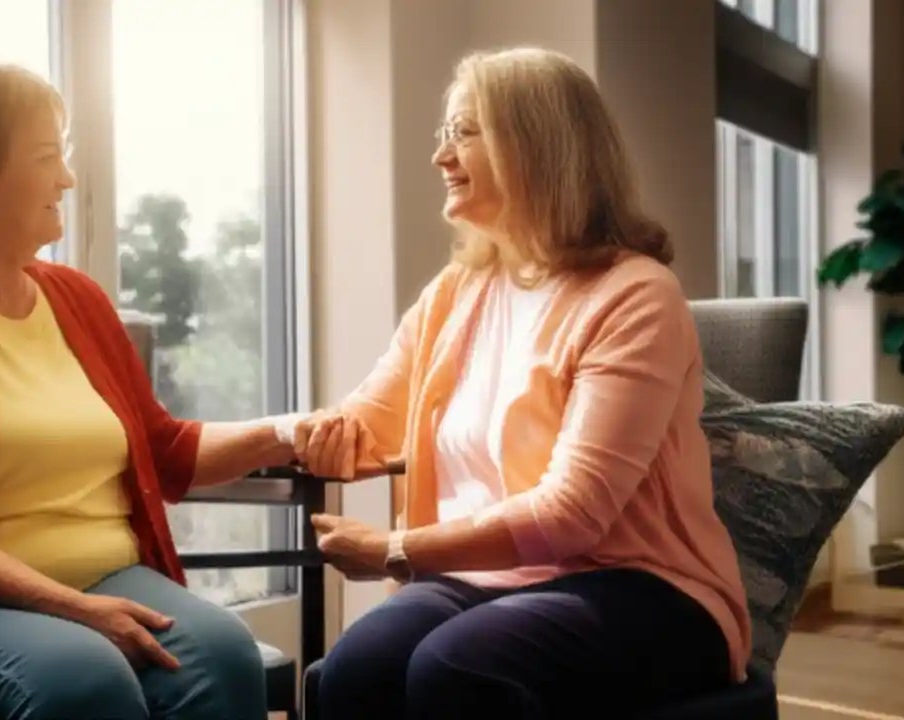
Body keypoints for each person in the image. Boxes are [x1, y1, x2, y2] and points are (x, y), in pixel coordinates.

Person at [0, 50, 298, 720]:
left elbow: (161, 448)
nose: (68, 178)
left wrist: (288, 432)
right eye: (47, 156)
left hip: (108, 576)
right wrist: (75, 609)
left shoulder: (78, 298)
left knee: (223, 652)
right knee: (83, 678)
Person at [292, 47, 752, 719]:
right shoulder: (458, 291)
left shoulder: (636, 296)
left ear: (535, 144)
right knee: (358, 669)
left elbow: (573, 513)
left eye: (462, 132)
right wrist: (213, 443)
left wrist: (395, 549)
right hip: (484, 580)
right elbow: (367, 421)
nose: (440, 156)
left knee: (455, 666)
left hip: (644, 586)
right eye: (443, 133)